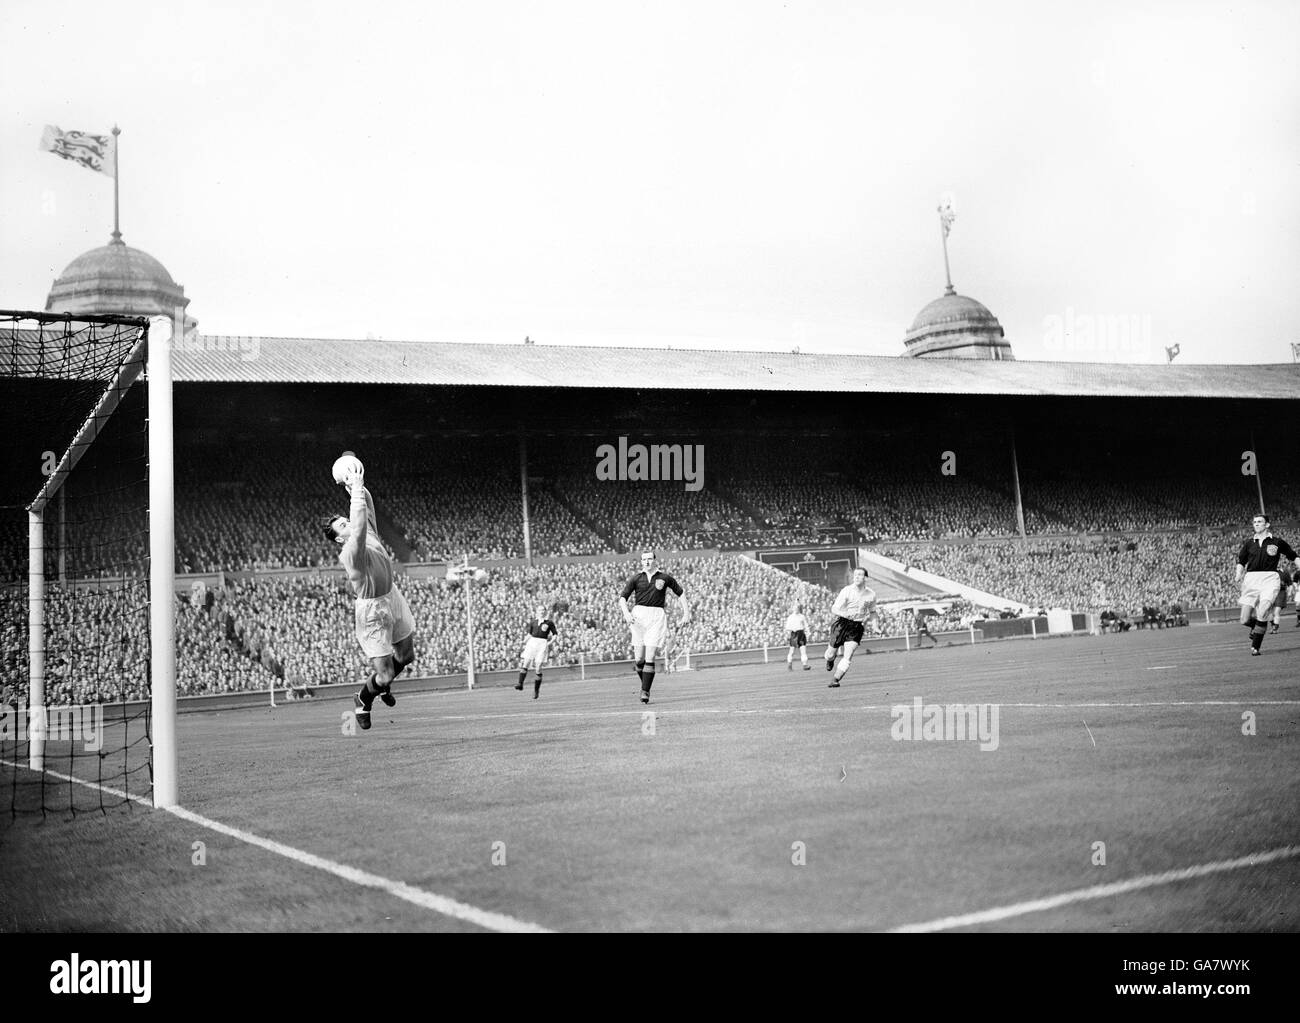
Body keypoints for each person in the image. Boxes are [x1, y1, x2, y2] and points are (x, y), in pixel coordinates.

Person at [319, 456, 417, 729]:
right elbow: (359, 526)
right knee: (384, 676)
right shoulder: (350, 551)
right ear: (339, 538)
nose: (347, 524)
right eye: (341, 525)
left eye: (345, 521)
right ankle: (364, 697)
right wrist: (356, 492)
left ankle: (377, 688)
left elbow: (367, 510)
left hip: (392, 596)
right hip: (372, 611)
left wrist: (356, 487)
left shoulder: (367, 531)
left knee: (407, 656)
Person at [618, 550, 691, 704]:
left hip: (657, 616)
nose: (647, 562)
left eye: (650, 559)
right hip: (638, 617)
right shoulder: (636, 578)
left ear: (655, 560)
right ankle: (645, 683)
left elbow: (681, 593)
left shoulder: (664, 578)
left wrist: (686, 614)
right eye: (644, 559)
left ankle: (645, 692)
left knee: (650, 657)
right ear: (641, 561)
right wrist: (626, 614)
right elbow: (622, 598)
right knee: (639, 659)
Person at [1235, 514, 1297, 656]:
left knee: (1263, 610)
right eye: (1255, 522)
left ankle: (1255, 647)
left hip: (1269, 578)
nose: (1256, 524)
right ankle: (1255, 626)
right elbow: (1241, 561)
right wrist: (1238, 574)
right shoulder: (1249, 543)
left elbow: (1293, 555)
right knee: (1244, 619)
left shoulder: (1277, 542)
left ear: (1267, 525)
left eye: (1260, 522)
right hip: (1251, 579)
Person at [824, 566, 876, 688]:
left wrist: (875, 625)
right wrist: (845, 613)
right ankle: (830, 660)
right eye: (855, 574)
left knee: (848, 655)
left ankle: (835, 679)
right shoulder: (846, 590)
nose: (857, 577)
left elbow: (873, 612)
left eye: (860, 574)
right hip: (841, 623)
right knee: (831, 654)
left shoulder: (871, 594)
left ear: (865, 578)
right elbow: (834, 608)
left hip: (856, 626)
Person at [516, 603, 558, 699]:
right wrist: (523, 641)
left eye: (543, 610)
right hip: (532, 642)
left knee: (538, 667)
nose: (541, 612)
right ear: (537, 611)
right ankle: (520, 684)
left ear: (545, 612)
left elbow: (555, 634)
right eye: (540, 610)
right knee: (526, 662)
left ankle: (536, 690)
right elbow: (530, 634)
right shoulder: (533, 622)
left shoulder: (549, 623)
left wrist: (549, 643)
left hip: (542, 643)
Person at [785, 602, 811, 670]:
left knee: (803, 650)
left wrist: (808, 632)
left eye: (797, 608)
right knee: (792, 651)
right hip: (794, 634)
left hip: (801, 634)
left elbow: (806, 625)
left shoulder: (802, 616)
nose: (796, 609)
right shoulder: (790, 617)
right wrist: (791, 630)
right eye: (795, 608)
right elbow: (787, 627)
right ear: (793, 609)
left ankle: (805, 665)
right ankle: (789, 665)